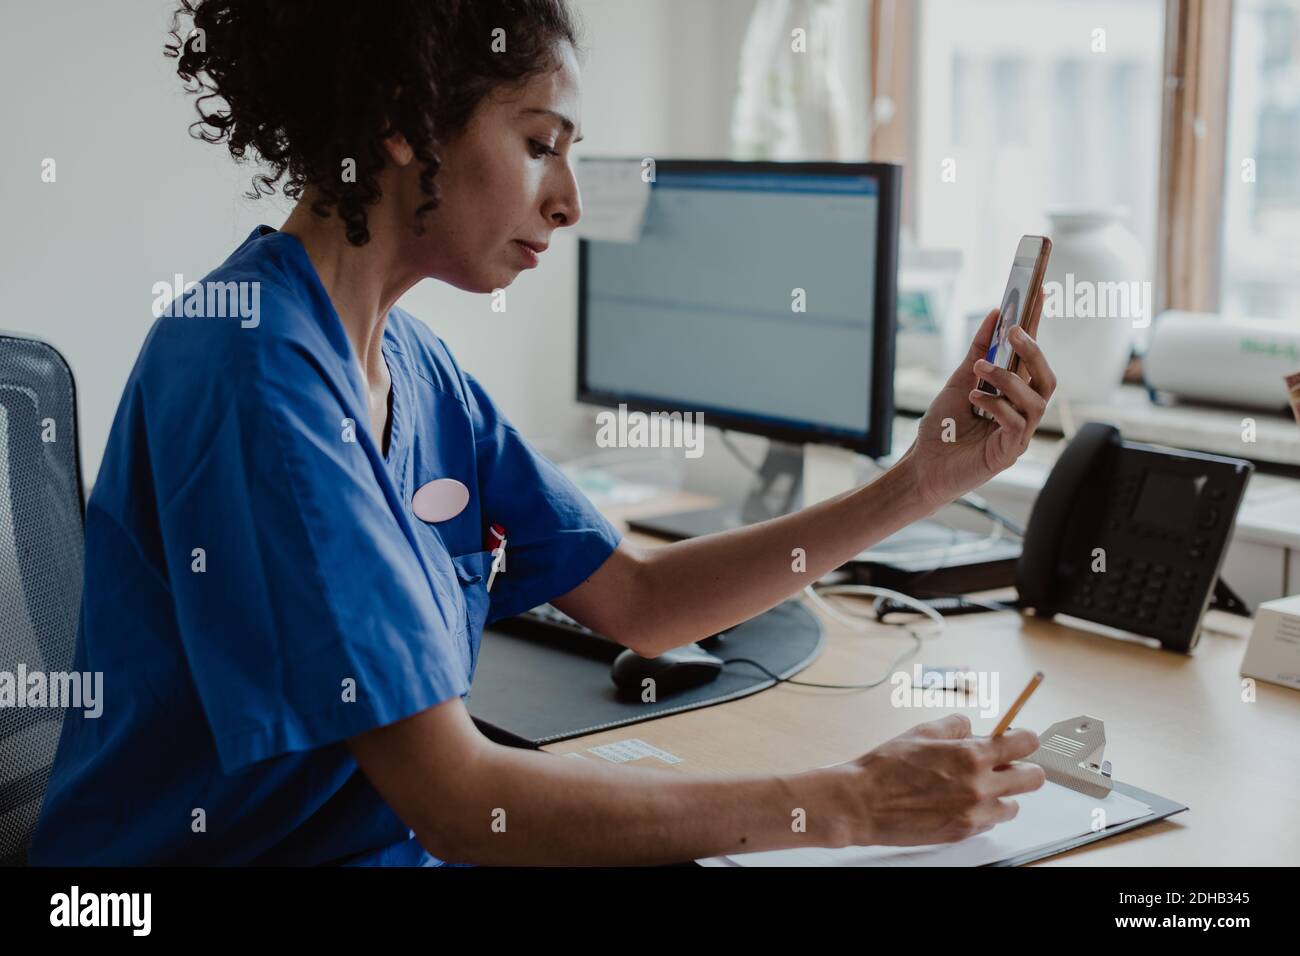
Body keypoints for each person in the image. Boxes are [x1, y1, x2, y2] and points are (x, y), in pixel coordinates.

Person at [31, 0, 1056, 866]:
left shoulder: (416, 369)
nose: (567, 200)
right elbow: (460, 797)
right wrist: (845, 801)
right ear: (401, 120)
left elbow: (640, 603)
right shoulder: (251, 373)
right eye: (538, 145)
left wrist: (920, 479)